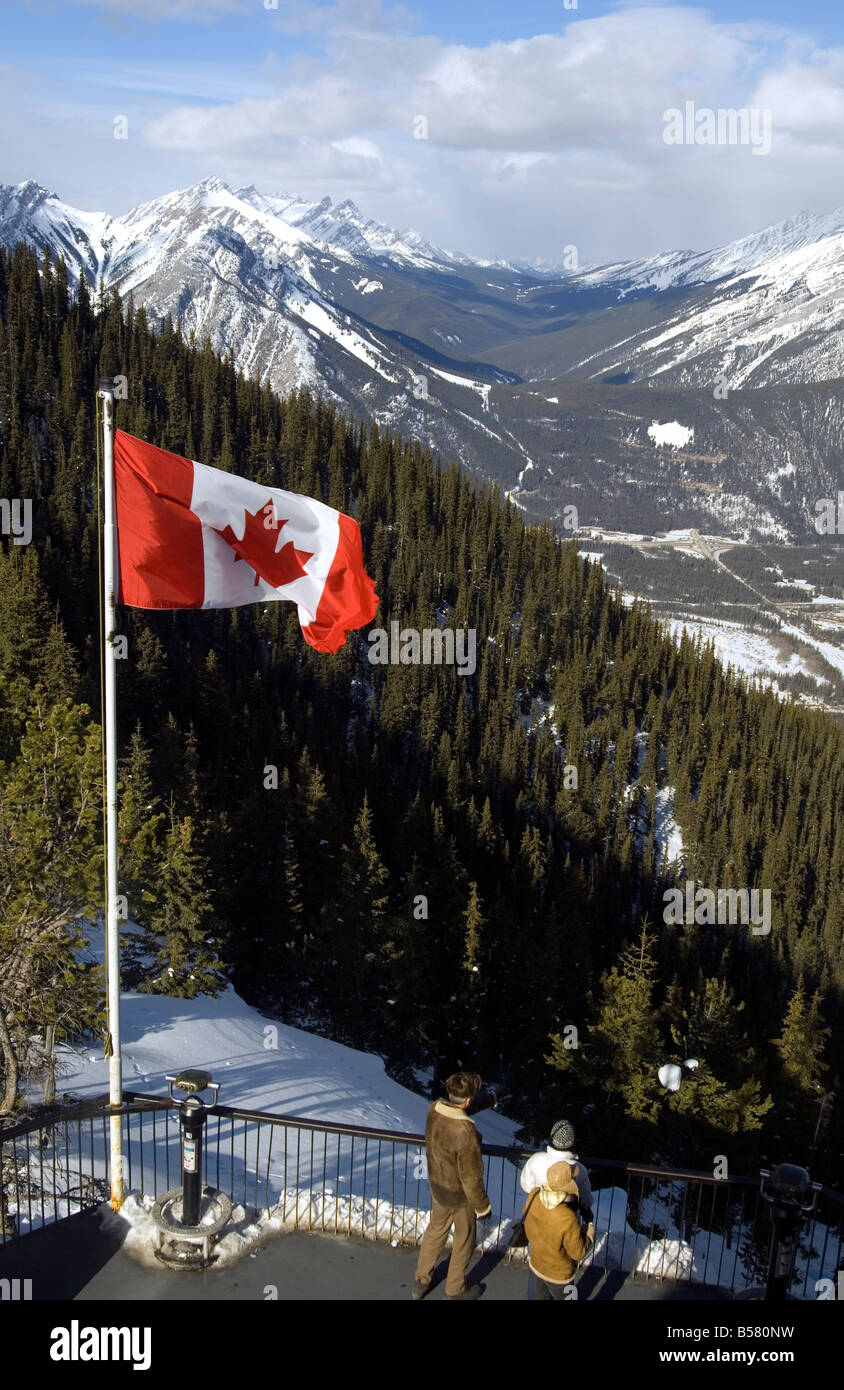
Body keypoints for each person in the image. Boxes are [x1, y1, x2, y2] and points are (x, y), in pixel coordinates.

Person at [412, 1071, 493, 1300]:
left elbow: (456, 1109)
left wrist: (489, 1099)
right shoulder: (465, 1131)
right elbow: (471, 1177)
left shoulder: (434, 1110)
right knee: (463, 1239)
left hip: (437, 1185)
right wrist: (482, 1206)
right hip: (459, 1196)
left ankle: (421, 1281)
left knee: (435, 1231)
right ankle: (455, 1289)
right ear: (468, 1101)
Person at [523, 1159, 595, 1300]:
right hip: (561, 1276)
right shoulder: (567, 1218)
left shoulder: (535, 1195)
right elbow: (577, 1252)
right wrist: (589, 1232)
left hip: (537, 1265)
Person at [519, 1119, 593, 1218]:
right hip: (566, 1226)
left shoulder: (536, 1160)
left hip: (536, 1219)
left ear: (552, 1138)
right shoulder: (579, 1170)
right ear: (572, 1142)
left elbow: (526, 1186)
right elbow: (587, 1201)